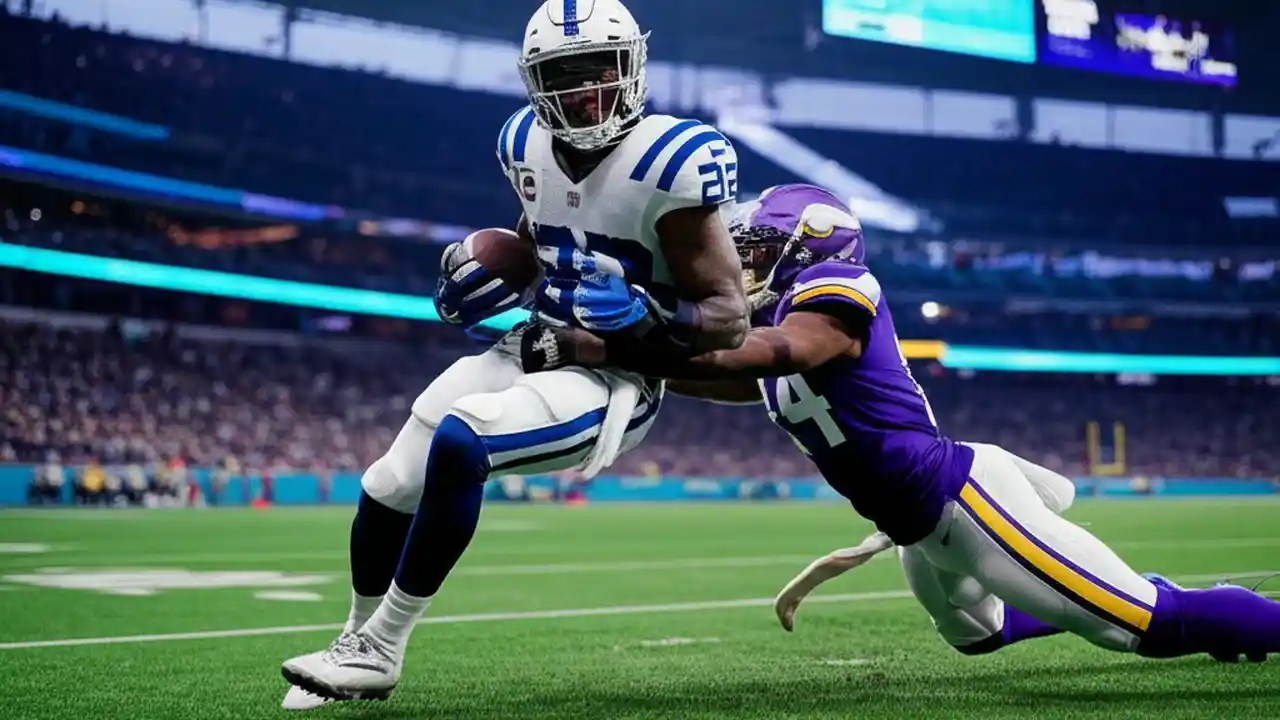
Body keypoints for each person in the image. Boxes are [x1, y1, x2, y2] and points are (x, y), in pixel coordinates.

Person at [542, 183, 1280, 665]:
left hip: (961, 501)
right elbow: (731, 375)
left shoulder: (839, 286)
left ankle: (1200, 611)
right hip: (917, 526)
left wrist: (639, 337)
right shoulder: (777, 328)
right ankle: (1110, 589)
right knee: (978, 633)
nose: (742, 265)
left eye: (757, 249)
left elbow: (778, 352)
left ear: (807, 246)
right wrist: (612, 355)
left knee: (1140, 630)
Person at [280, 0, 747, 706]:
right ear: (534, 81)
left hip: (617, 375)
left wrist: (647, 317)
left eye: (599, 69)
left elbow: (729, 318)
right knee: (388, 483)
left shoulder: (671, 163)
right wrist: (484, 275)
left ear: (632, 67)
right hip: (536, 341)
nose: (583, 89)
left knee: (465, 439)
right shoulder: (523, 142)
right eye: (563, 74)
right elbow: (543, 241)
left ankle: (384, 646)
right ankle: (352, 642)